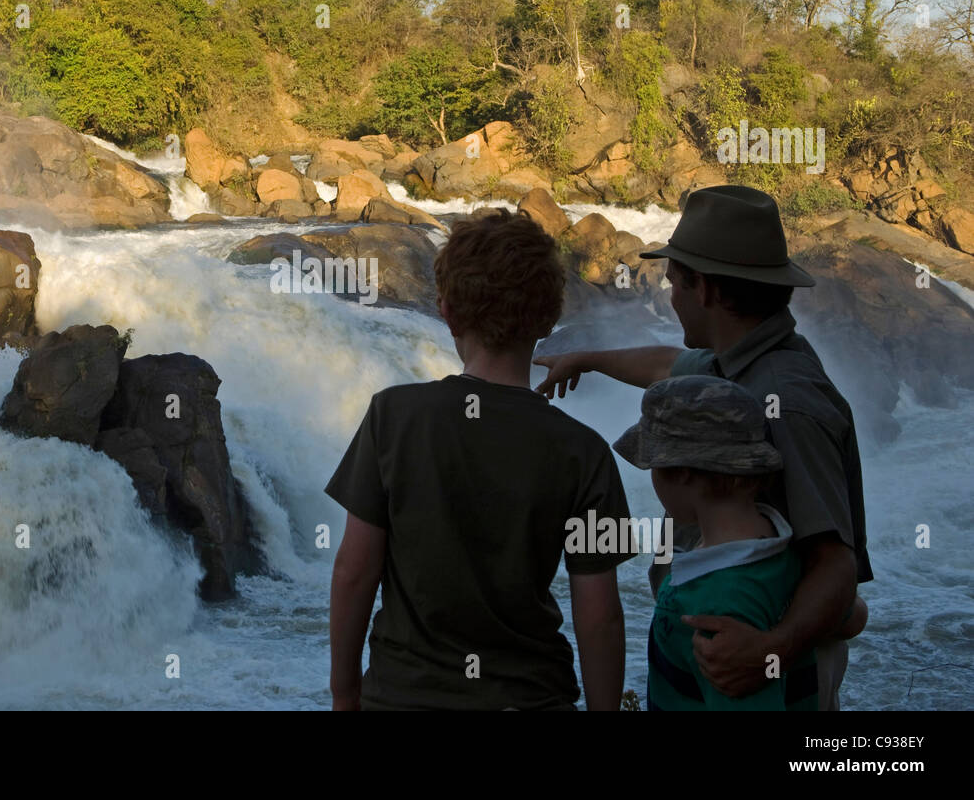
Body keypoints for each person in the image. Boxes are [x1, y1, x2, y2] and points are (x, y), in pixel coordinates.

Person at [535, 185, 871, 710]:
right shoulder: (733, 359)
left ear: (707, 290)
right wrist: (587, 359)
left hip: (768, 657)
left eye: (675, 282)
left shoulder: (788, 402)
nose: (670, 296)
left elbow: (836, 566)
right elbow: (668, 367)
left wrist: (768, 651)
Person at [326, 208, 634, 710]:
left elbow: (354, 573)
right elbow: (600, 617)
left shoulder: (394, 418)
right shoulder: (586, 452)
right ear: (551, 318)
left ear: (445, 309)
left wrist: (345, 694)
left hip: (404, 700)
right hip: (532, 698)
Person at [614, 374, 819, 710]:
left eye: (652, 464)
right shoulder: (787, 551)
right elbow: (851, 616)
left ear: (681, 472)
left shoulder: (717, 605)